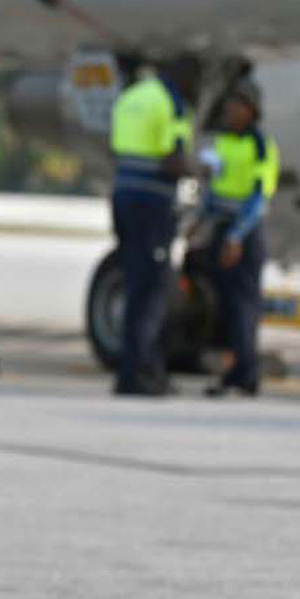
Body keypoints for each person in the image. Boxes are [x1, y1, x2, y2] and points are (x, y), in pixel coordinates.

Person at [108, 57, 198, 397]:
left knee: (135, 286)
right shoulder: (171, 103)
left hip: (123, 196)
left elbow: (116, 149)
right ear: (181, 75)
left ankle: (132, 371)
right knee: (151, 291)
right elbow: (171, 159)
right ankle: (140, 374)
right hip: (151, 205)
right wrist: (199, 170)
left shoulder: (131, 96)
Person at [199, 80, 277, 398]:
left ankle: (244, 374)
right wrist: (198, 220)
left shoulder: (260, 147)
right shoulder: (222, 143)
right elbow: (213, 192)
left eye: (237, 105)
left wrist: (235, 237)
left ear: (251, 110)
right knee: (226, 306)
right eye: (229, 104)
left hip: (244, 235)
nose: (229, 110)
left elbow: (258, 199)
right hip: (222, 230)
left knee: (243, 307)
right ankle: (235, 372)